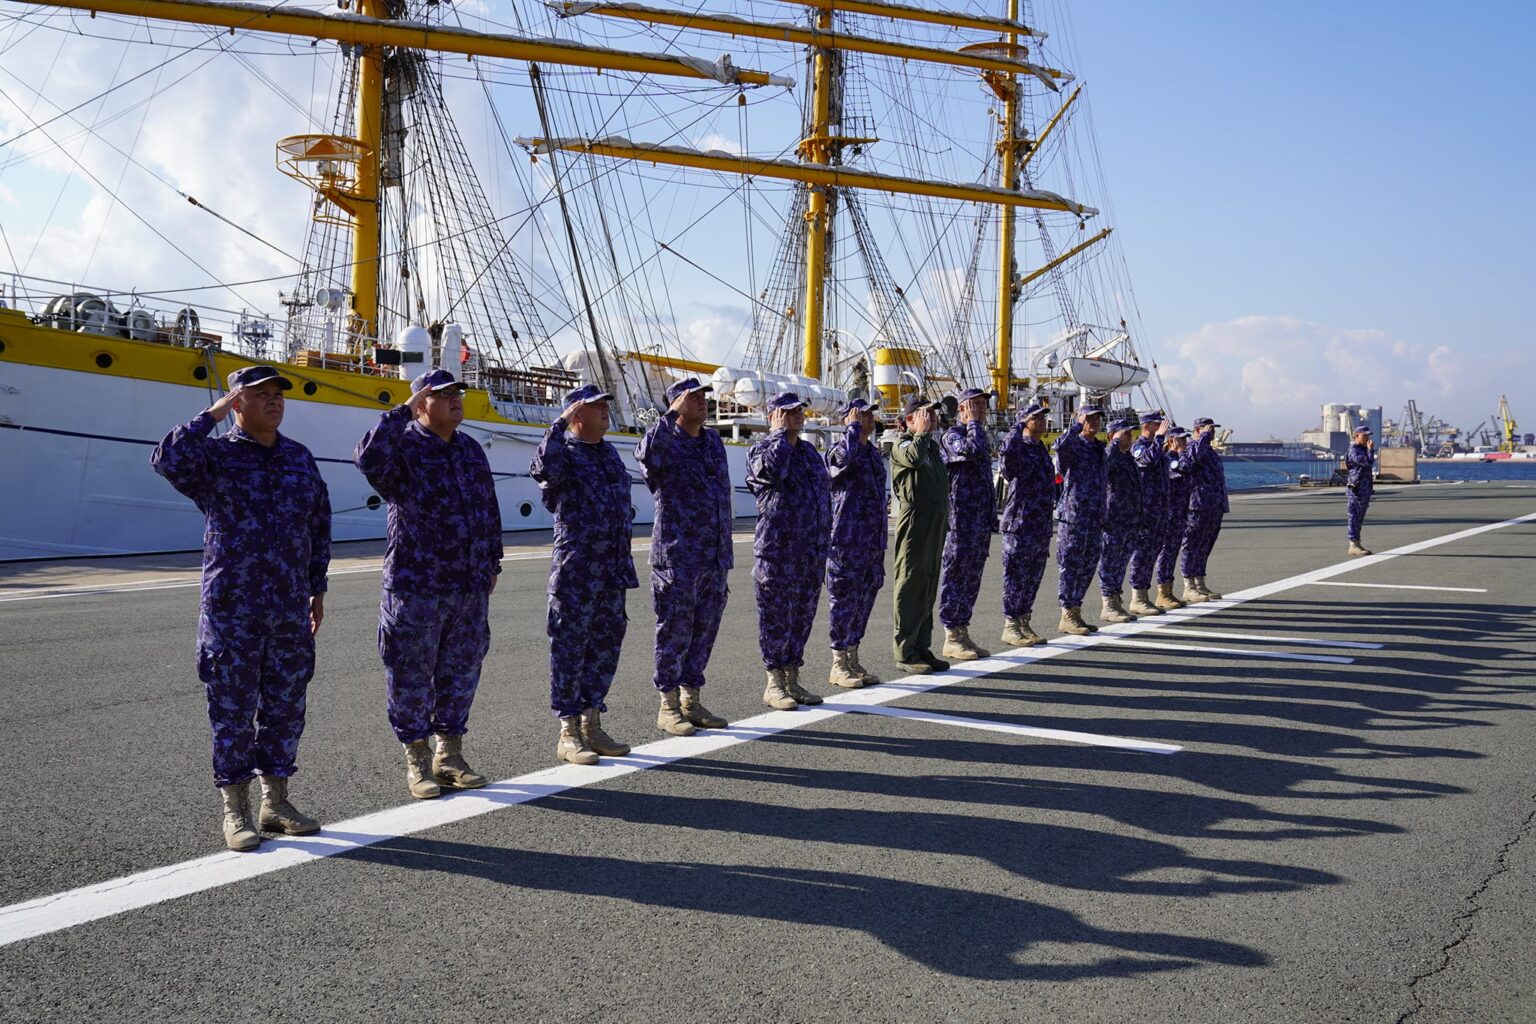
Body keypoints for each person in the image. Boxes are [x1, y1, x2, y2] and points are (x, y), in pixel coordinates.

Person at [150, 365, 330, 852]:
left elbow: (318, 524)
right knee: (232, 713)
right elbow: (168, 459)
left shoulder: (298, 458)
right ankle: (236, 810)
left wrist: (317, 588)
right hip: (234, 609)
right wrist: (212, 415)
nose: (274, 402)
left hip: (289, 610)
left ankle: (277, 802)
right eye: (261, 395)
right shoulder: (215, 457)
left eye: (278, 395)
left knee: (286, 709)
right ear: (237, 402)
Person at [354, 368, 502, 800]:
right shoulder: (401, 447)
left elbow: (488, 509)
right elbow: (366, 458)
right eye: (444, 394)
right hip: (416, 585)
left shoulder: (471, 450)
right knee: (411, 674)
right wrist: (400, 412)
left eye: (459, 393)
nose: (457, 399)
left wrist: (492, 561)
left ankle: (450, 755)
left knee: (461, 672)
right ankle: (417, 760)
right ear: (422, 403)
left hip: (468, 586)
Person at [530, 383, 638, 765]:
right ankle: (568, 732)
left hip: (612, 569)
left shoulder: (607, 453)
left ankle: (592, 724)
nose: (605, 410)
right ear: (576, 415)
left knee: (604, 648)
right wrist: (557, 425)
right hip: (577, 570)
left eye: (606, 405)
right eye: (595, 407)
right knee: (570, 649)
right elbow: (541, 468)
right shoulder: (563, 454)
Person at [634, 377, 732, 734]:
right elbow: (645, 456)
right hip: (677, 556)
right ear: (675, 404)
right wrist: (667, 416)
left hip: (714, 556)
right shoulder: (665, 442)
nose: (702, 401)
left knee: (704, 630)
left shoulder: (712, 442)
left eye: (704, 395)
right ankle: (668, 705)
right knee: (674, 632)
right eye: (693, 397)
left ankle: (691, 699)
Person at [747, 392, 832, 709]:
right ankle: (774, 683)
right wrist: (780, 435)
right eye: (789, 411)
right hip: (778, 553)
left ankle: (792, 679)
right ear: (773, 416)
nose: (798, 415)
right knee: (776, 619)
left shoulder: (810, 452)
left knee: (802, 617)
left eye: (800, 411)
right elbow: (770, 472)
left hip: (811, 553)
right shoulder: (762, 450)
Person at [825, 397, 888, 687]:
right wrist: (851, 430)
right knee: (844, 599)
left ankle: (853, 655)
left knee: (865, 598)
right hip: (847, 540)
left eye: (869, 414)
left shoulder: (873, 453)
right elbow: (839, 465)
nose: (868, 418)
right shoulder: (840, 448)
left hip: (872, 540)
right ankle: (838, 662)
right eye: (861, 414)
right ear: (847, 419)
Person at [890, 395, 952, 673]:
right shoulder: (903, 443)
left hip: (935, 521)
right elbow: (912, 459)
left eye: (934, 413)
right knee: (911, 582)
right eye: (926, 413)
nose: (932, 418)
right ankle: (905, 651)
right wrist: (922, 434)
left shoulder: (932, 446)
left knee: (928, 583)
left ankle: (922, 646)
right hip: (915, 521)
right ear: (911, 418)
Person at [938, 387, 996, 660]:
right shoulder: (953, 436)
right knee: (956, 575)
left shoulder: (978, 433)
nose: (981, 409)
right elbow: (972, 451)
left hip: (979, 521)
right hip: (960, 522)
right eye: (975, 405)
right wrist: (973, 424)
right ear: (961, 409)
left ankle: (962, 630)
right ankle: (951, 634)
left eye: (983, 405)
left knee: (972, 578)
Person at [997, 402, 1054, 646]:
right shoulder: (1017, 447)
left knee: (1033, 575)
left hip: (1040, 524)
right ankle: (1010, 624)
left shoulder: (1040, 448)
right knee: (1016, 576)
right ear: (1024, 422)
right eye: (1036, 418)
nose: (1042, 421)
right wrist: (1017, 426)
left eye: (1043, 418)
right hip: (1020, 524)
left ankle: (1023, 620)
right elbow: (1006, 460)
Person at [1054, 404, 1108, 635]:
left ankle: (1076, 610)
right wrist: (1077, 424)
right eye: (1090, 418)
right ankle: (1067, 613)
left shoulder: (1098, 448)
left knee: (1088, 565)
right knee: (1071, 565)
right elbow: (1059, 446)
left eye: (1097, 419)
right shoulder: (1074, 444)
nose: (1094, 422)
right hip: (1074, 517)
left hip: (1095, 517)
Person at [1096, 418, 1144, 624]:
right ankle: (1108, 603)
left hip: (1129, 520)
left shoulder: (1129, 458)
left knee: (1122, 561)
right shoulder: (1110, 455)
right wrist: (1114, 442)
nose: (1129, 436)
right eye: (1124, 433)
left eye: (1130, 433)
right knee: (1109, 561)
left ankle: (1116, 599)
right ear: (1112, 436)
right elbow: (1105, 463)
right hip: (1114, 519)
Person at [1126, 411, 1171, 617]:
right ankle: (1137, 597)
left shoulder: (1157, 447)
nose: (1162, 427)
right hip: (1145, 510)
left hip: (1159, 509)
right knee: (1142, 553)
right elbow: (1146, 460)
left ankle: (1145, 595)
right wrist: (1160, 439)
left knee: (1153, 552)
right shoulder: (1139, 446)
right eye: (1157, 424)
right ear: (1147, 426)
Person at [1181, 416, 1229, 602]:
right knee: (1191, 546)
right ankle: (1189, 586)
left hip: (1214, 505)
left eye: (1213, 430)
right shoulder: (1191, 447)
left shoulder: (1209, 450)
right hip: (1197, 506)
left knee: (1205, 546)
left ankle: (1199, 582)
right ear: (1197, 430)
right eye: (1208, 429)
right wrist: (1202, 438)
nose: (1212, 432)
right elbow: (1189, 461)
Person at [1152, 427, 1194, 609]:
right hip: (1169, 513)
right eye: (1181, 440)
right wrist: (1183, 451)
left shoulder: (1179, 457)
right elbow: (1184, 469)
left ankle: (1168, 591)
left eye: (1185, 440)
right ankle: (1162, 593)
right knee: (1166, 552)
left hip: (1180, 512)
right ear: (1171, 441)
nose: (1184, 443)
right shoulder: (1169, 459)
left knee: (1173, 552)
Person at [1346, 426, 1377, 556]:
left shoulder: (1363, 449)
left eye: (1368, 436)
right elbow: (1367, 462)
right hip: (1356, 488)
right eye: (1364, 436)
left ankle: (1357, 542)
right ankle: (1353, 543)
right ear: (1356, 436)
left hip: (1364, 488)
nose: (1367, 438)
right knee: (1354, 515)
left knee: (1360, 516)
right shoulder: (1354, 450)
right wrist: (1370, 450)